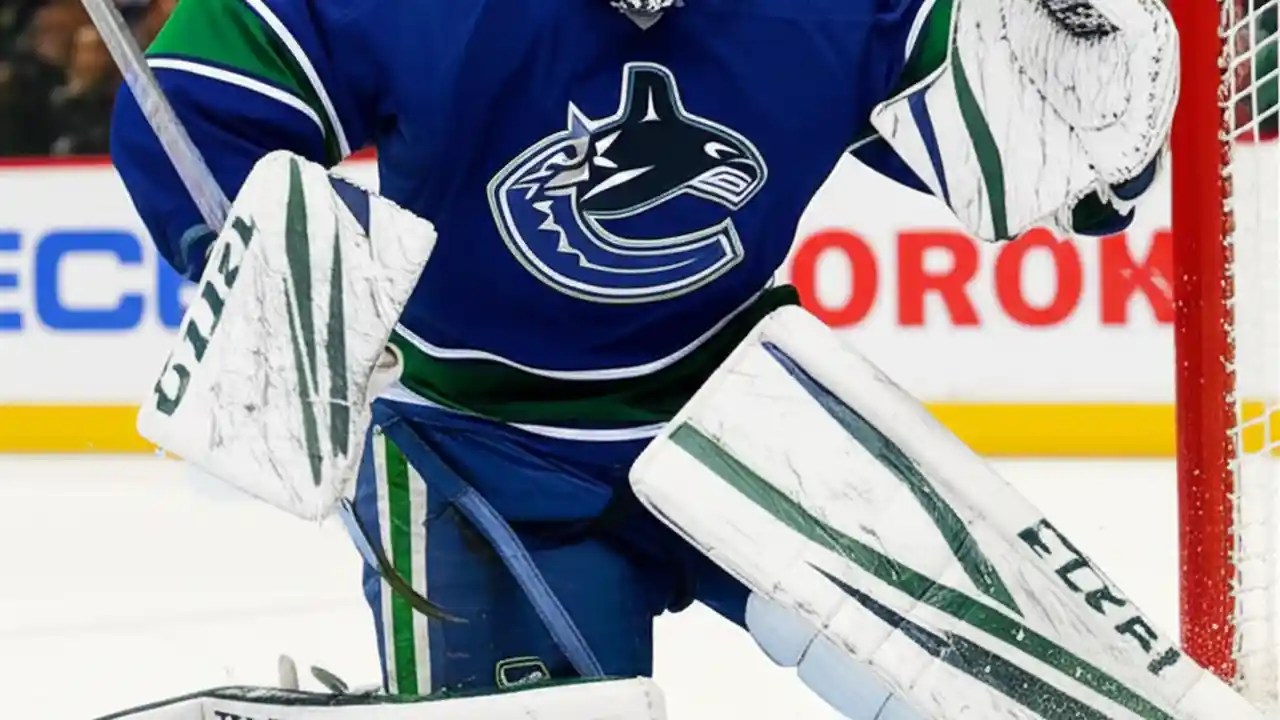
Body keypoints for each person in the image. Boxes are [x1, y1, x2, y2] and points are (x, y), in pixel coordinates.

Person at [109, 0, 1170, 716]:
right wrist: (281, 288)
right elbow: (191, 111)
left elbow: (1069, 183)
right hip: (473, 449)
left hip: (746, 410)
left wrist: (1098, 91)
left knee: (1044, 703)